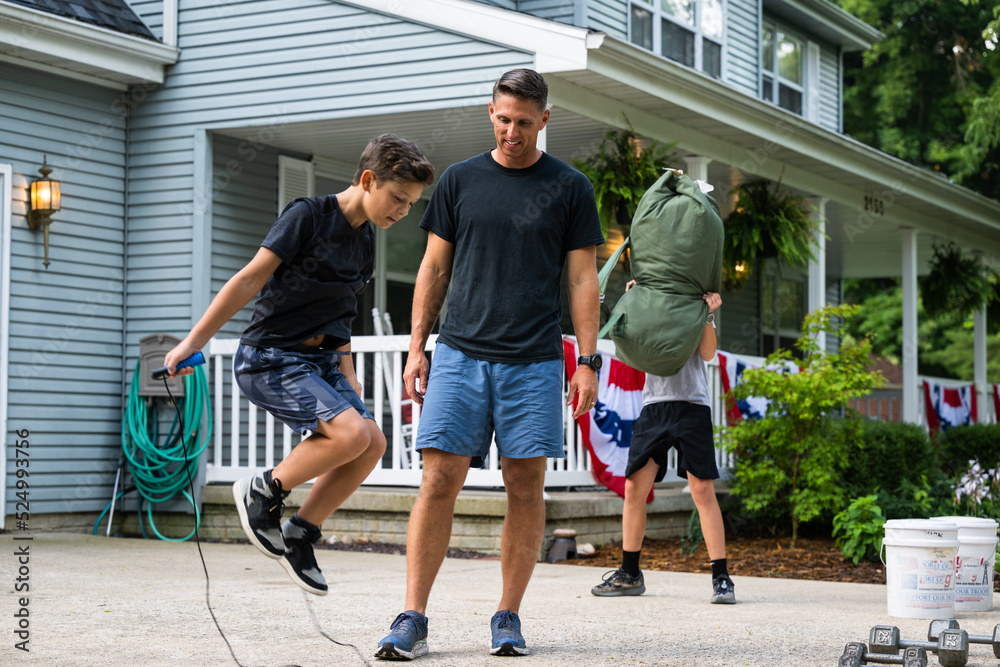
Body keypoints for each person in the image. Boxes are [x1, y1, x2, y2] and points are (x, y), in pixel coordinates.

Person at [375, 68, 604, 660]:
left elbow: (582, 279)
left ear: (544, 120)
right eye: (503, 119)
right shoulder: (459, 180)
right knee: (438, 479)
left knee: (525, 486)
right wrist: (416, 347)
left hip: (531, 359)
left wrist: (587, 361)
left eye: (524, 122)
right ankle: (412, 617)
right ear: (491, 112)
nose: (511, 131)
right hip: (459, 352)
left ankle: (508, 616)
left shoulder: (570, 187)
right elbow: (433, 269)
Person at [162, 134, 434, 596]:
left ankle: (300, 532)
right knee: (349, 434)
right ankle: (262, 490)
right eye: (398, 199)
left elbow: (343, 308)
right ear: (368, 180)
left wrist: (346, 371)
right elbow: (249, 278)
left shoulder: (365, 239)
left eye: (411, 204)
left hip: (323, 361)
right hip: (271, 356)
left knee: (371, 443)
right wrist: (192, 342)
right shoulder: (308, 215)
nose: (403, 212)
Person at [591, 285, 735, 604]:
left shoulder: (694, 304)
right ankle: (630, 573)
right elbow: (630, 345)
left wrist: (709, 312)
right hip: (654, 406)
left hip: (692, 405)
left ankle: (721, 578)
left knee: (702, 491)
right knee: (634, 489)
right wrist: (633, 302)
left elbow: (709, 354)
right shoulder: (648, 303)